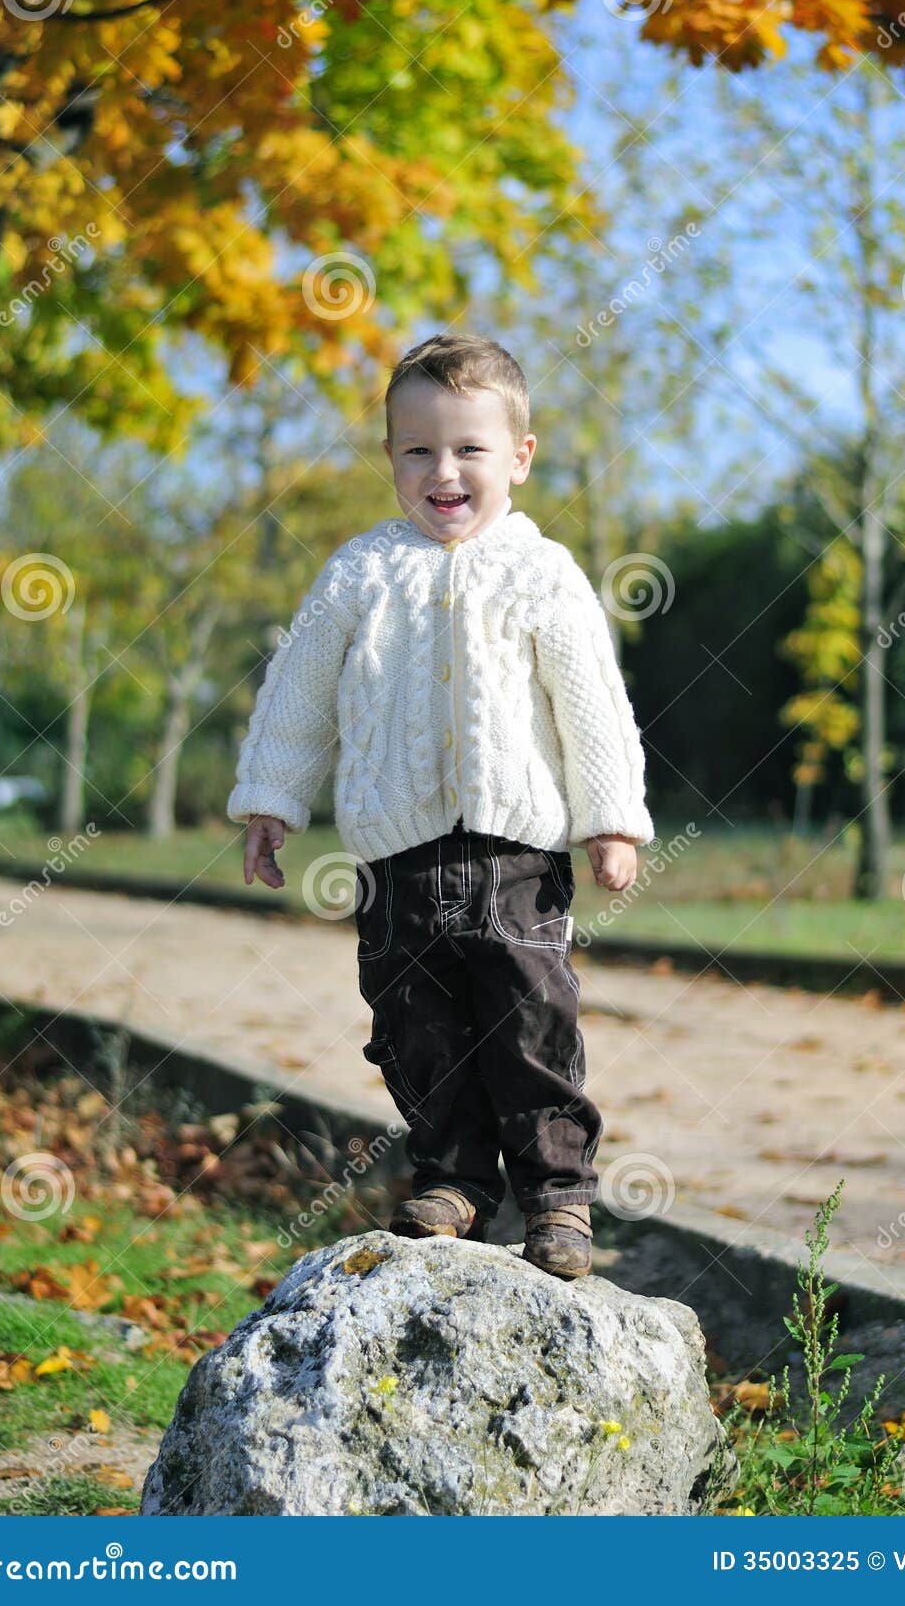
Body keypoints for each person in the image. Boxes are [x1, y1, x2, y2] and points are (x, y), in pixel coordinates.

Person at [228, 332, 655, 1279]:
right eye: (417, 449)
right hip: (395, 850)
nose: (444, 470)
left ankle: (557, 1195)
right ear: (390, 459)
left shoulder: (541, 572)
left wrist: (611, 818)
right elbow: (299, 694)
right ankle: (454, 1176)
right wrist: (271, 801)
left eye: (468, 449)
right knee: (414, 1022)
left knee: (531, 1015)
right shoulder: (359, 573)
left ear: (520, 458)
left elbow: (589, 702)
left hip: (516, 851)